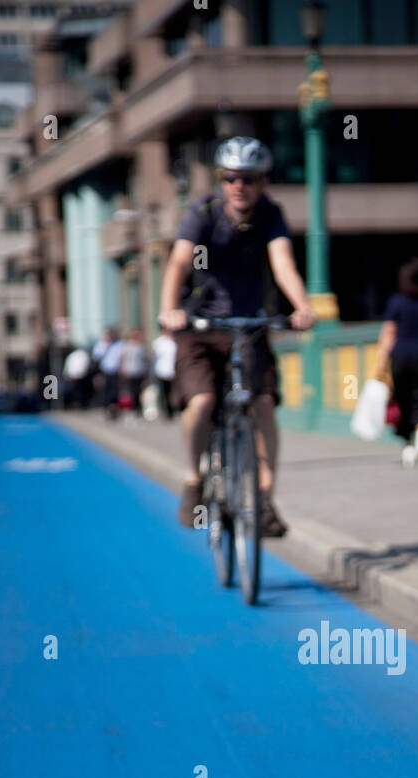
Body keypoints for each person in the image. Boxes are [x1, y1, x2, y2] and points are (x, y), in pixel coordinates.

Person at [158, 135, 316, 536]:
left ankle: (264, 502)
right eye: (230, 178)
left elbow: (283, 265)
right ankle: (194, 480)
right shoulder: (203, 212)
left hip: (249, 326)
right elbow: (179, 261)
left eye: (249, 179)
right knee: (203, 400)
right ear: (220, 180)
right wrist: (169, 309)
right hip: (198, 327)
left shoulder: (270, 215)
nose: (239, 186)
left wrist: (302, 305)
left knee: (263, 404)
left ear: (264, 182)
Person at [373, 259, 418, 468]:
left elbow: (389, 332)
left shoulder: (397, 302)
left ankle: (408, 445)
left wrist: (380, 363)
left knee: (403, 399)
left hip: (400, 356)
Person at [119, 328, 148, 415]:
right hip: (130, 371)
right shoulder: (127, 346)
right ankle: (131, 408)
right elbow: (122, 359)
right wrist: (123, 370)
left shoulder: (142, 346)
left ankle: (138, 408)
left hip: (140, 371)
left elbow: (145, 360)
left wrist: (146, 371)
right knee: (131, 391)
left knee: (139, 390)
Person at [151, 330, 177, 419]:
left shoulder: (174, 341)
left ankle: (172, 410)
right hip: (161, 371)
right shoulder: (159, 342)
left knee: (172, 392)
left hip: (173, 371)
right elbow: (154, 356)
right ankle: (165, 410)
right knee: (163, 392)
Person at [61, 343, 91, 409]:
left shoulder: (82, 355)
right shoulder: (75, 355)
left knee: (78, 392)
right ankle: (74, 403)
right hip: (74, 376)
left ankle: (78, 403)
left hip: (79, 377)